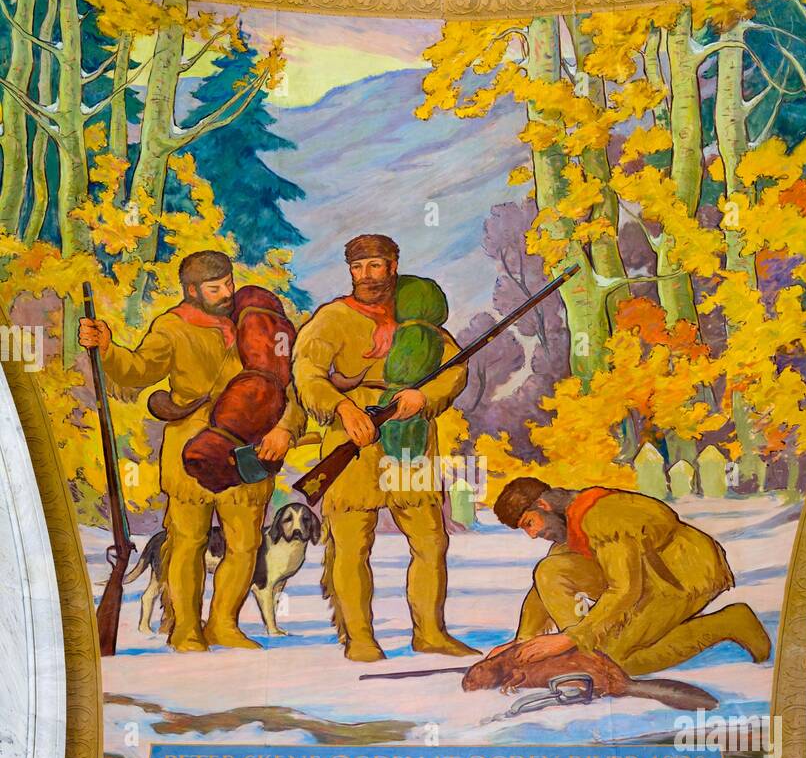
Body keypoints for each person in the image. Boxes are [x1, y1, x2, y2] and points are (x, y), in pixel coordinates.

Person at [78, 250, 305, 651]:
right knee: (186, 541)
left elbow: (286, 384)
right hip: (189, 450)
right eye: (215, 288)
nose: (226, 293)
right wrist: (107, 348)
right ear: (192, 290)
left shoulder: (256, 322)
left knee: (245, 544)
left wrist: (285, 428)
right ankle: (185, 628)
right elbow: (139, 370)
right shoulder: (172, 326)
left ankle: (224, 624)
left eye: (229, 284)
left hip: (247, 450)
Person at [291, 233, 477, 662]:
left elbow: (454, 368)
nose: (366, 276)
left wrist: (423, 397)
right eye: (358, 267)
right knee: (352, 542)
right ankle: (359, 640)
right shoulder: (332, 318)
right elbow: (307, 374)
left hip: (409, 434)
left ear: (393, 265)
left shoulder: (419, 320)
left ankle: (430, 633)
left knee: (431, 540)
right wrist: (341, 408)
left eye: (375, 265)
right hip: (352, 436)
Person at [492, 476, 771, 674]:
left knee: (616, 659)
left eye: (530, 523)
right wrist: (523, 641)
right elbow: (545, 584)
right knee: (551, 569)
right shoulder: (573, 525)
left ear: (543, 506)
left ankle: (730, 622)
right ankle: (582, 655)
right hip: (648, 575)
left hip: (682, 576)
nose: (532, 534)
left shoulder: (601, 516)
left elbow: (625, 590)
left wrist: (573, 637)